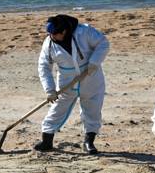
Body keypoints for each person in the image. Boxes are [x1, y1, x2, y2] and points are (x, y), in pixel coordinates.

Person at [36, 14, 109, 154]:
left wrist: (94, 62)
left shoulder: (84, 32)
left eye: (55, 34)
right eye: (50, 33)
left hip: (90, 76)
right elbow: (44, 66)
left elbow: (103, 43)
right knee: (57, 108)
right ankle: (46, 141)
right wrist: (49, 90)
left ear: (64, 31)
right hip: (66, 81)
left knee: (92, 109)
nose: (52, 36)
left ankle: (89, 142)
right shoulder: (49, 43)